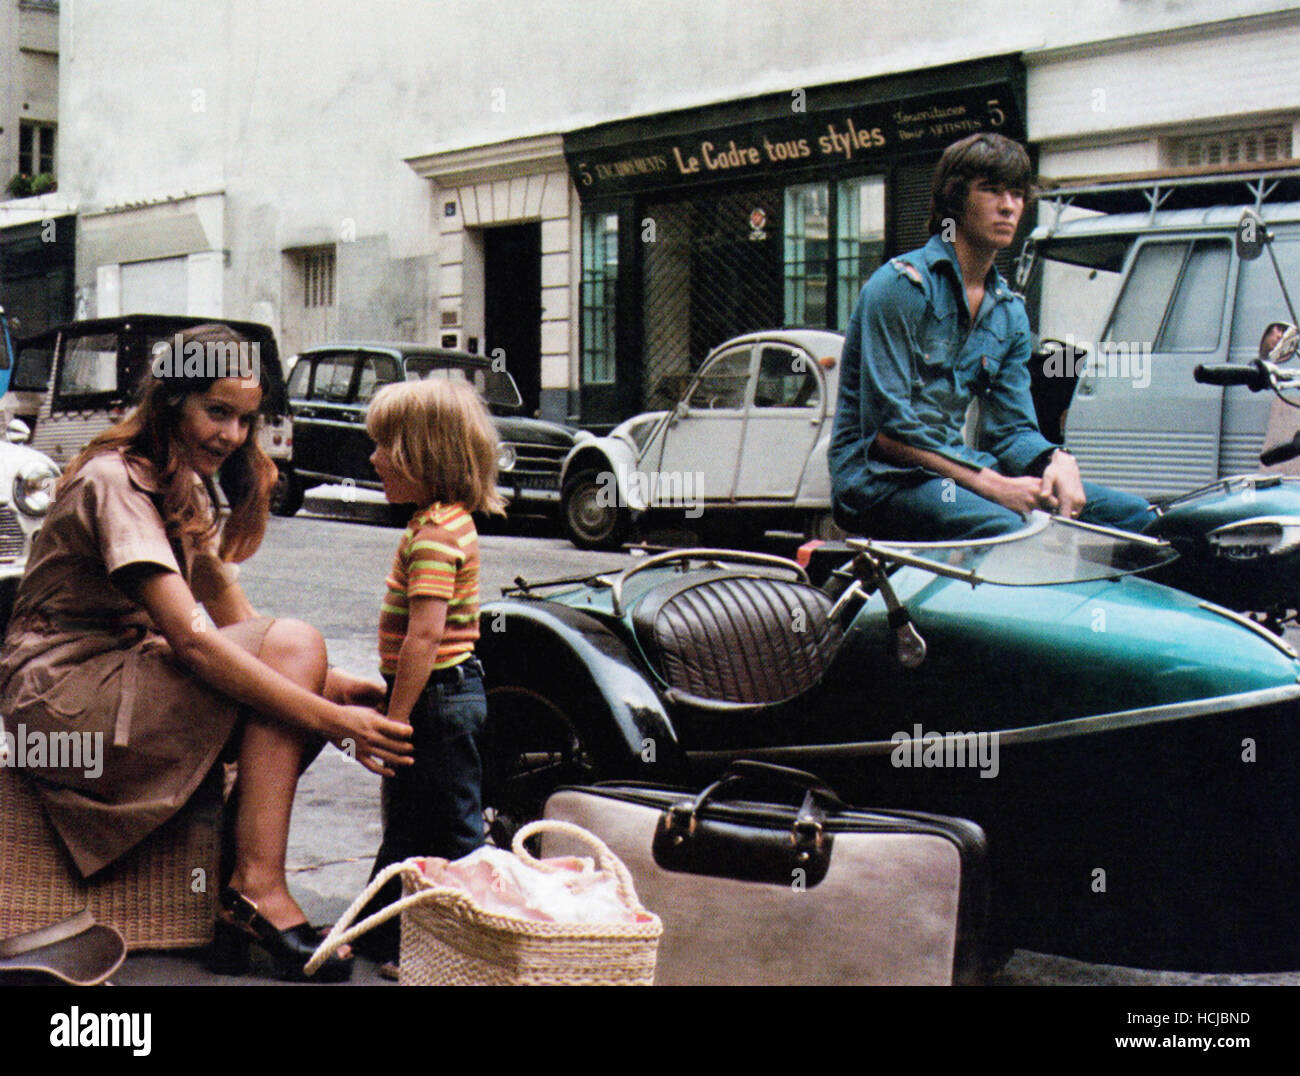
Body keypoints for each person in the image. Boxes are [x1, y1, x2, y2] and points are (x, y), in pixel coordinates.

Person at [0, 323, 414, 982]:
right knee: (299, 661)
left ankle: (239, 889)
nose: (232, 435)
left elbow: (242, 624)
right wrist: (334, 722)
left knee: (303, 658)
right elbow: (193, 640)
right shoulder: (115, 480)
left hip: (111, 676)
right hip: (60, 693)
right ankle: (255, 888)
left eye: (245, 419)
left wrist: (331, 688)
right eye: (216, 412)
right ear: (170, 402)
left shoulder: (178, 483)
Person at [829, 132, 1154, 540]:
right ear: (955, 200)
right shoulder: (899, 287)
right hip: (880, 481)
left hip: (959, 473)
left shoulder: (1008, 311)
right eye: (991, 191)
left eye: (1018, 194)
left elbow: (1011, 430)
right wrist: (992, 485)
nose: (1008, 206)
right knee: (1010, 526)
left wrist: (1058, 460)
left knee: (1134, 518)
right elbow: (889, 432)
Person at [354, 377, 506, 975]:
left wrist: (396, 718)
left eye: (384, 445)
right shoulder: (438, 521)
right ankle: (379, 937)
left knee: (453, 831)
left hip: (434, 701)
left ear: (424, 454)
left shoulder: (437, 535)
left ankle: (485, 945)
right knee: (412, 825)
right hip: (439, 696)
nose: (372, 457)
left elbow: (425, 635)